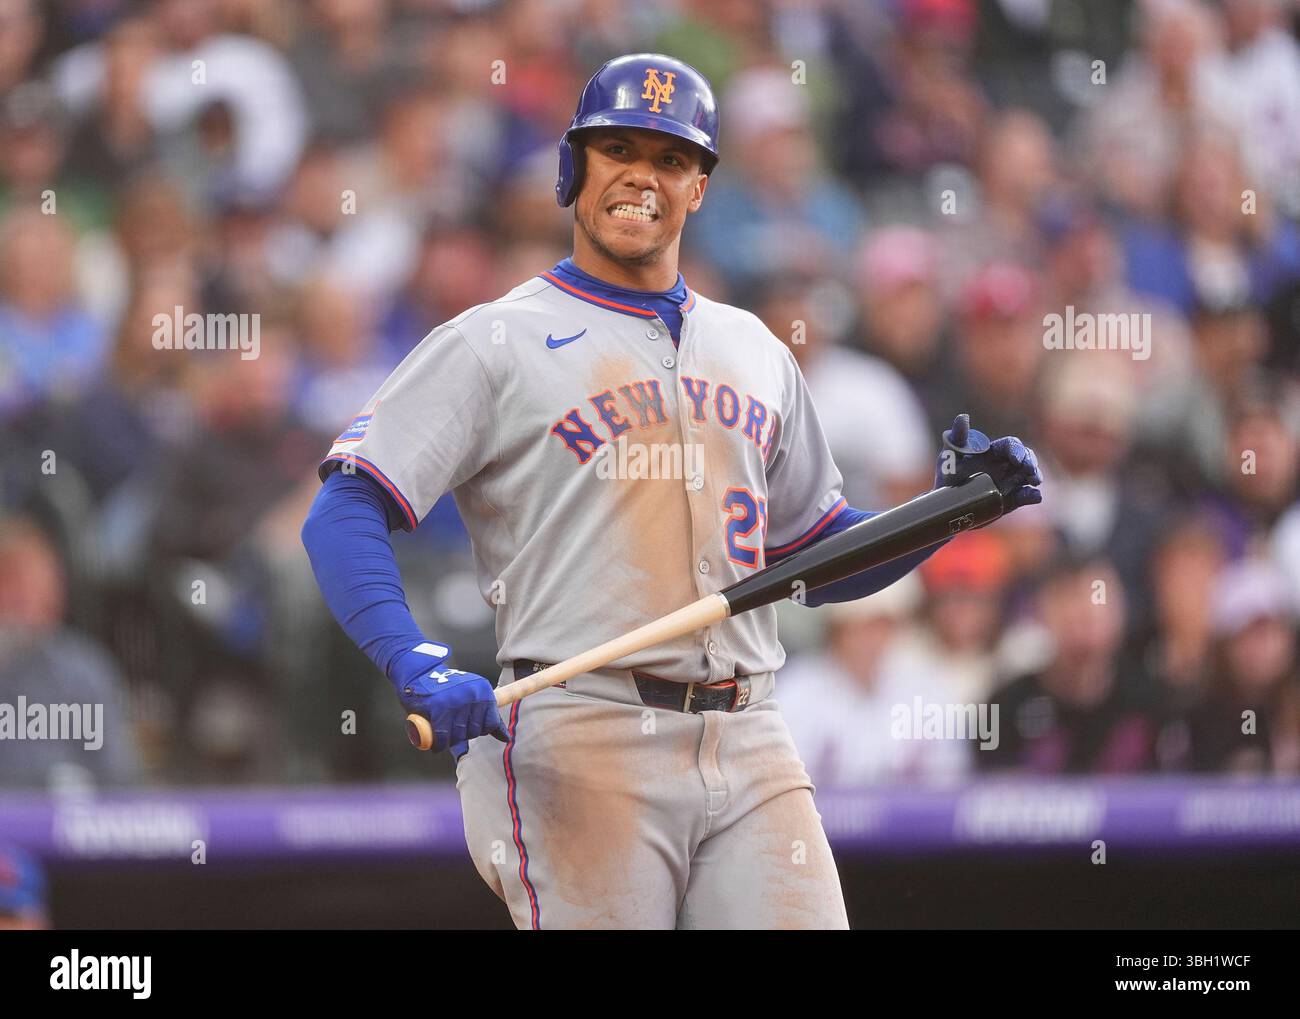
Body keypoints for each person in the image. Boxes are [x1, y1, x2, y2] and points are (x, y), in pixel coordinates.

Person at [301, 53, 1042, 930]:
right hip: (584, 731)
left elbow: (814, 554)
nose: (641, 177)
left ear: (698, 188)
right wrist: (408, 654)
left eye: (670, 159)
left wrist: (944, 515)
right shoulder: (494, 340)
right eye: (617, 148)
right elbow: (345, 506)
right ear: (574, 167)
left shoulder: (757, 349)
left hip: (750, 733)